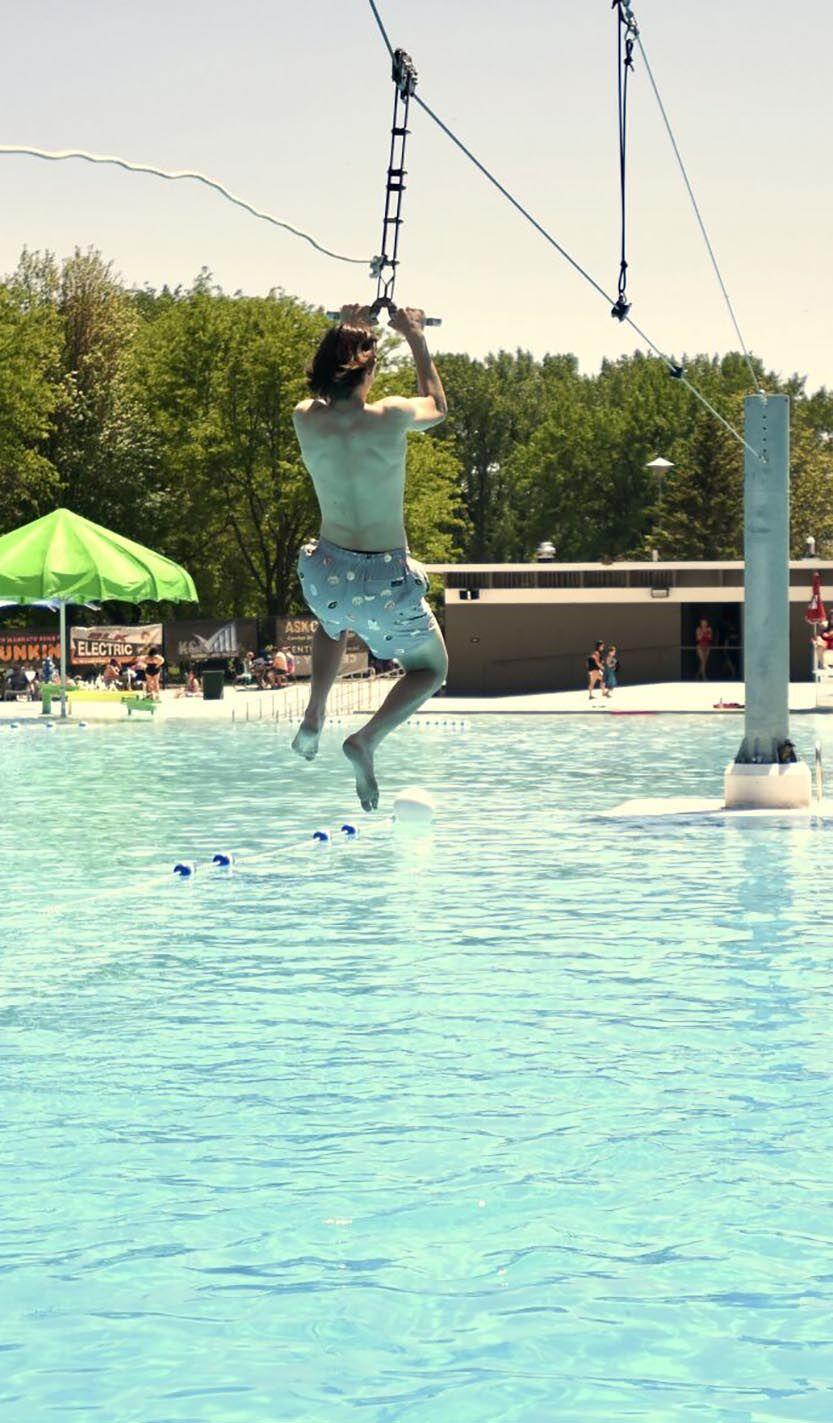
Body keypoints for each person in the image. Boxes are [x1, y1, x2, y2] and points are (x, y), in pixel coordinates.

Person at [291, 302, 448, 810]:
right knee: (431, 669)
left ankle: (314, 714)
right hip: (384, 576)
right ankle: (366, 739)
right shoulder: (392, 416)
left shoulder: (304, 418)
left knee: (332, 620)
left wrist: (347, 328)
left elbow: (330, 383)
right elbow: (438, 405)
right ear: (368, 371)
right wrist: (415, 335)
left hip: (326, 571)